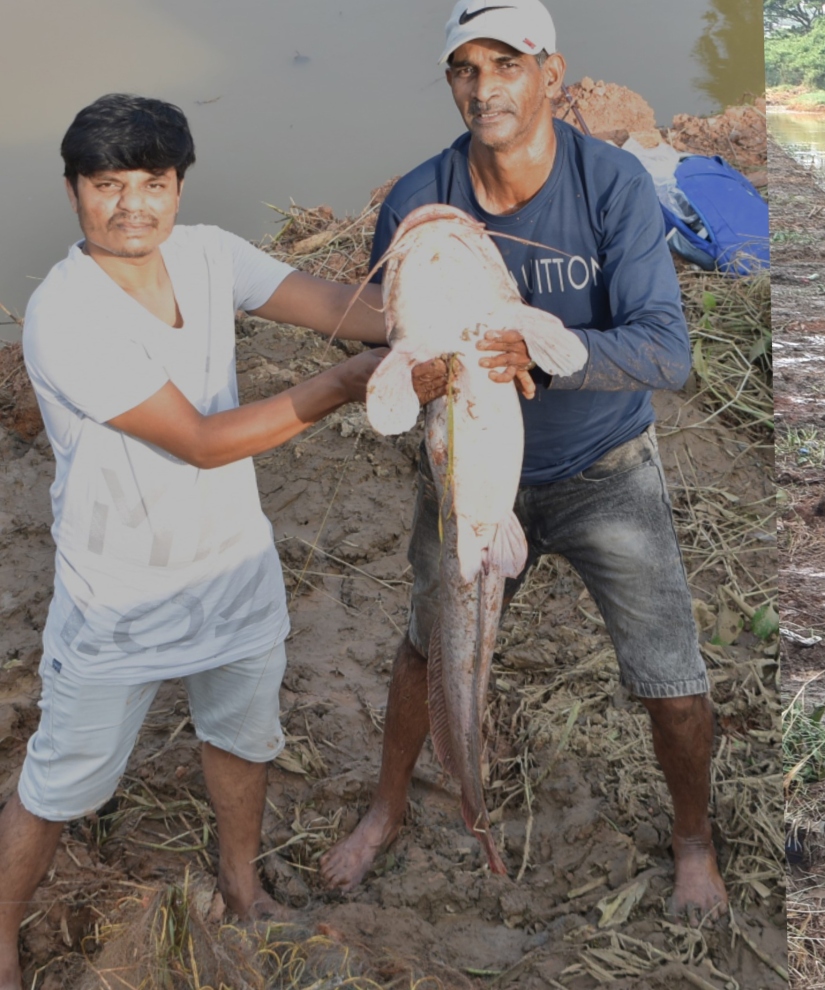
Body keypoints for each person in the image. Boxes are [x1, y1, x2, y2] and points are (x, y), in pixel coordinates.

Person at [0, 93, 429, 990]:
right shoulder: (63, 313)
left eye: (153, 184)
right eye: (107, 185)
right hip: (119, 594)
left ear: (179, 186)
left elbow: (351, 310)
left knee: (242, 735)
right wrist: (343, 387)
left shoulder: (207, 255)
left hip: (234, 570)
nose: (132, 207)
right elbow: (200, 441)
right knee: (59, 782)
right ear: (74, 190)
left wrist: (444, 315)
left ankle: (242, 888)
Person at [317, 0, 727, 917]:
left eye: (507, 64)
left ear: (552, 72)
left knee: (670, 673)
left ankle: (693, 839)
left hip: (604, 469)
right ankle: (390, 807)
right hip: (466, 477)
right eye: (465, 68)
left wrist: (543, 353)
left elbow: (668, 352)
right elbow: (388, 354)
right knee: (426, 652)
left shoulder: (612, 183)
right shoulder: (419, 206)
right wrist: (410, 375)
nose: (483, 86)